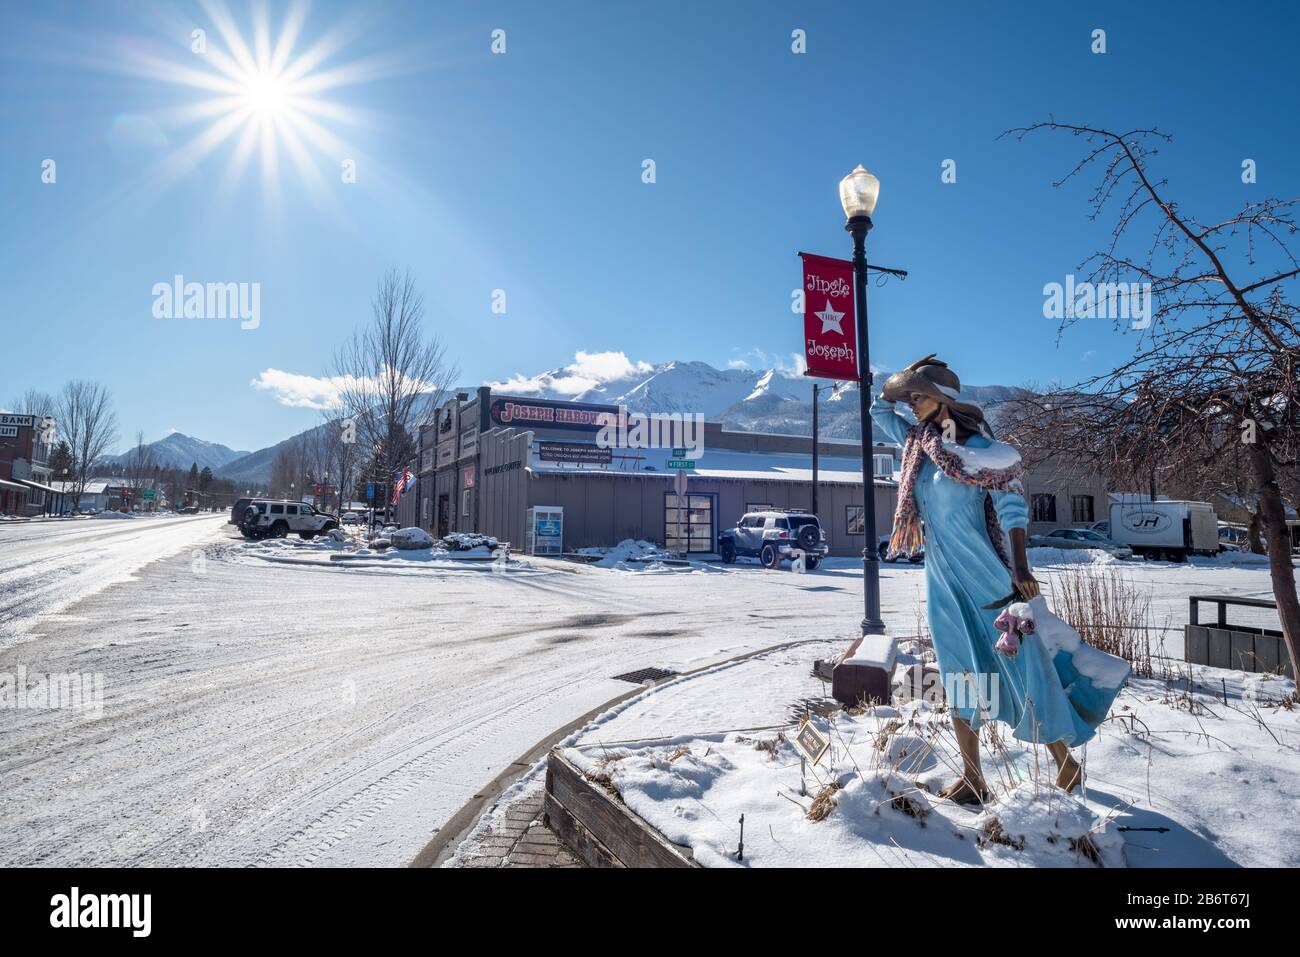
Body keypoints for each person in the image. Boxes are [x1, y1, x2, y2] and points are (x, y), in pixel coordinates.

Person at [872, 354, 1095, 803]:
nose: (912, 404)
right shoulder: (918, 446)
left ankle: (1066, 765)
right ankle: (973, 778)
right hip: (940, 580)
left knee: (1017, 668)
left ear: (942, 400)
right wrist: (903, 378)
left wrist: (1021, 567)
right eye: (912, 398)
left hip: (985, 576)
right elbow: (880, 410)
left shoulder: (980, 451)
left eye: (920, 396)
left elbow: (1012, 508)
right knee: (958, 675)